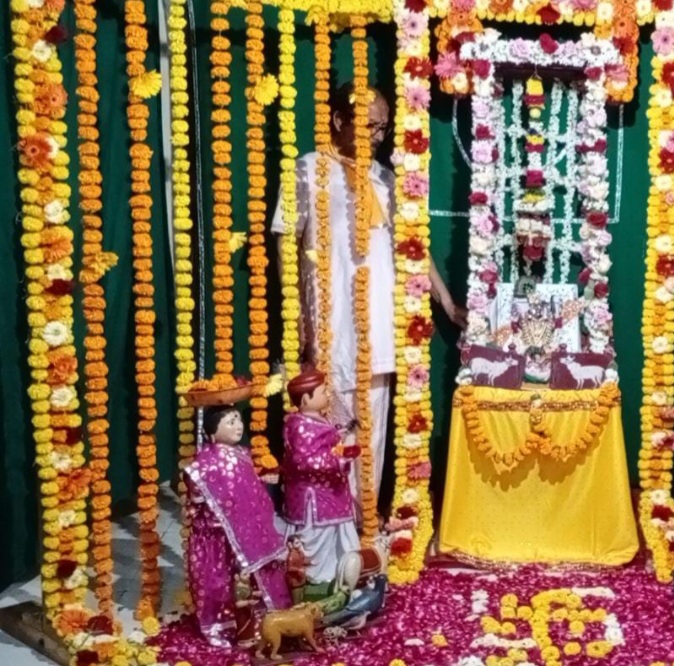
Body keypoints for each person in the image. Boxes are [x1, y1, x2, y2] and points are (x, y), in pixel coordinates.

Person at [271, 82, 464, 508]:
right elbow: (286, 247)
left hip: (381, 332)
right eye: (369, 126)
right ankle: (323, 528)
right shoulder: (307, 170)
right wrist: (300, 325)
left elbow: (414, 247)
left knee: (372, 432)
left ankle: (363, 527)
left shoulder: (387, 180)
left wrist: (447, 302)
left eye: (383, 128)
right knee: (329, 431)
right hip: (331, 331)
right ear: (339, 121)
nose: (378, 137)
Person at [183, 405, 291, 647]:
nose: (238, 426)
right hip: (218, 539)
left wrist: (262, 481)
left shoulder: (243, 454)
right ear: (211, 432)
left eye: (238, 420)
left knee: (253, 579)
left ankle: (265, 619)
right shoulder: (203, 465)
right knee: (222, 584)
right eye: (230, 422)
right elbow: (200, 497)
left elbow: (246, 490)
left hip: (249, 534)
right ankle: (228, 626)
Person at [281, 369, 361, 586]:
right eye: (322, 391)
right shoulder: (299, 425)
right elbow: (304, 461)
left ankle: (342, 577)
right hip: (315, 499)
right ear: (306, 399)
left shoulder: (315, 419)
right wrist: (340, 461)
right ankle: (317, 583)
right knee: (317, 541)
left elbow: (324, 443)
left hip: (331, 494)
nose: (327, 395)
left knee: (338, 536)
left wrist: (340, 435)